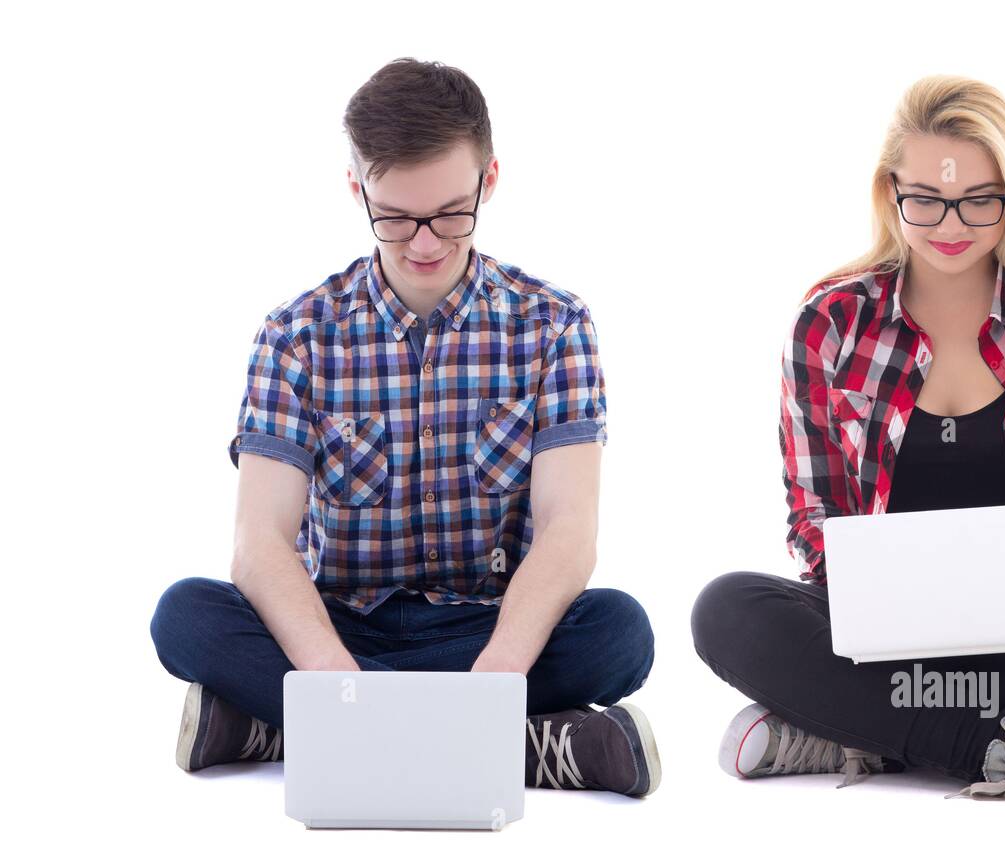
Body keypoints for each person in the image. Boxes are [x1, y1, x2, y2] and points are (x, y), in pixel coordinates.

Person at [150, 58, 660, 798]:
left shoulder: (555, 327)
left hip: (485, 632)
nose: (424, 243)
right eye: (394, 217)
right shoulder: (296, 336)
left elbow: (567, 528)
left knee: (619, 633)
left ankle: (283, 728)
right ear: (357, 189)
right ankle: (521, 745)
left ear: (489, 181)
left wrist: (499, 671)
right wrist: (331, 677)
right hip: (334, 630)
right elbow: (260, 544)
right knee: (184, 617)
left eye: (451, 213)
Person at [690, 75, 1005, 815]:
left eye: (978, 199)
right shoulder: (829, 324)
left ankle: (850, 732)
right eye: (923, 197)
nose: (948, 222)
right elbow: (814, 512)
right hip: (877, 645)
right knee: (725, 608)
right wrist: (886, 590)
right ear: (887, 191)